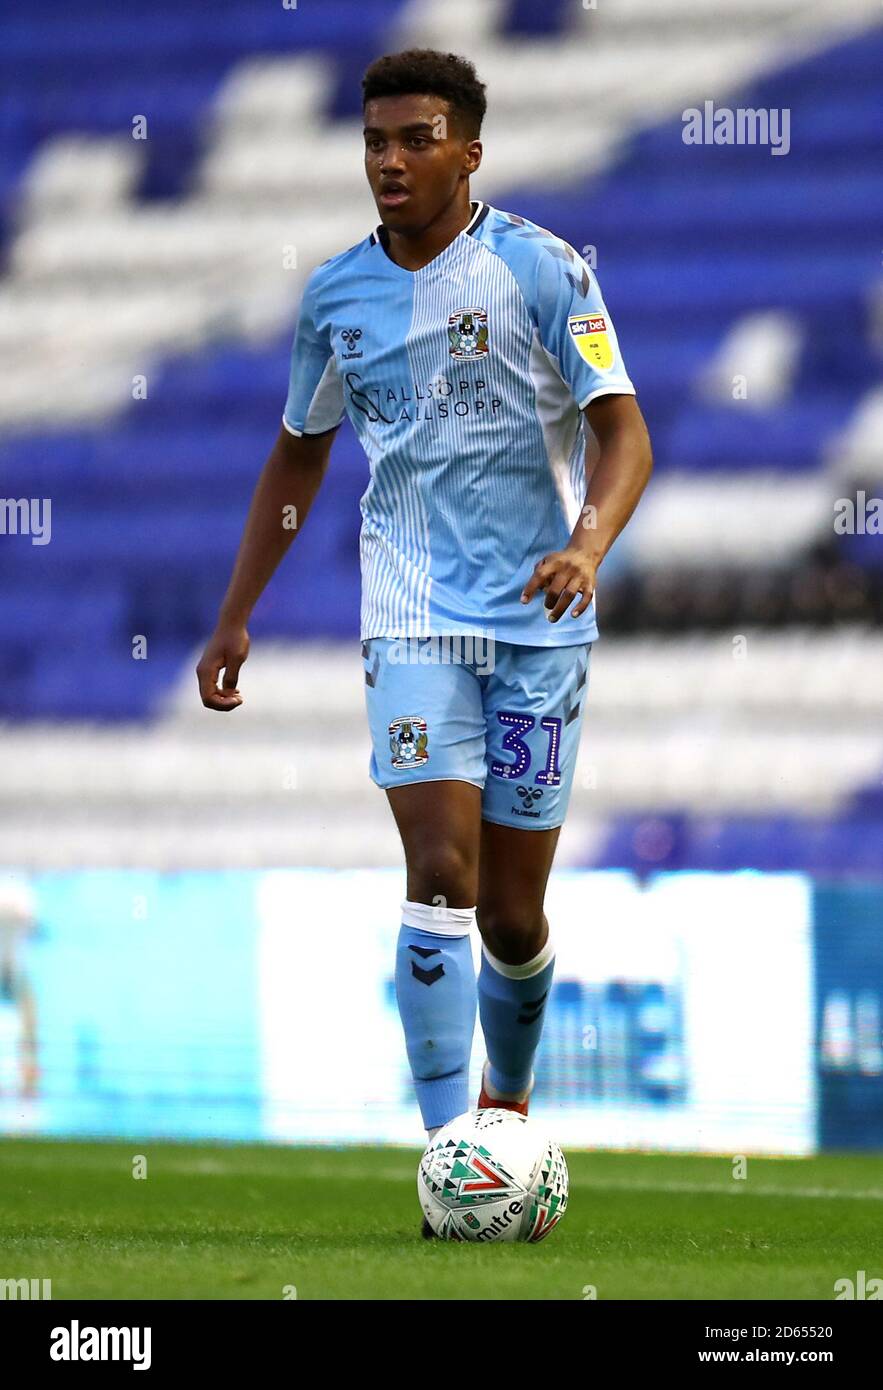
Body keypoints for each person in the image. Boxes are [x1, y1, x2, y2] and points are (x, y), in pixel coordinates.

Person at [197, 49, 652, 1234]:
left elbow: (623, 433)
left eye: (416, 138)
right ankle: (454, 1159)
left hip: (542, 623)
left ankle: (507, 1100)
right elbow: (298, 452)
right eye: (374, 141)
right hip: (408, 617)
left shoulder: (544, 271)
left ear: (469, 152)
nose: (389, 160)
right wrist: (238, 609)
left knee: (511, 917)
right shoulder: (335, 297)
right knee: (438, 873)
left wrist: (588, 544)